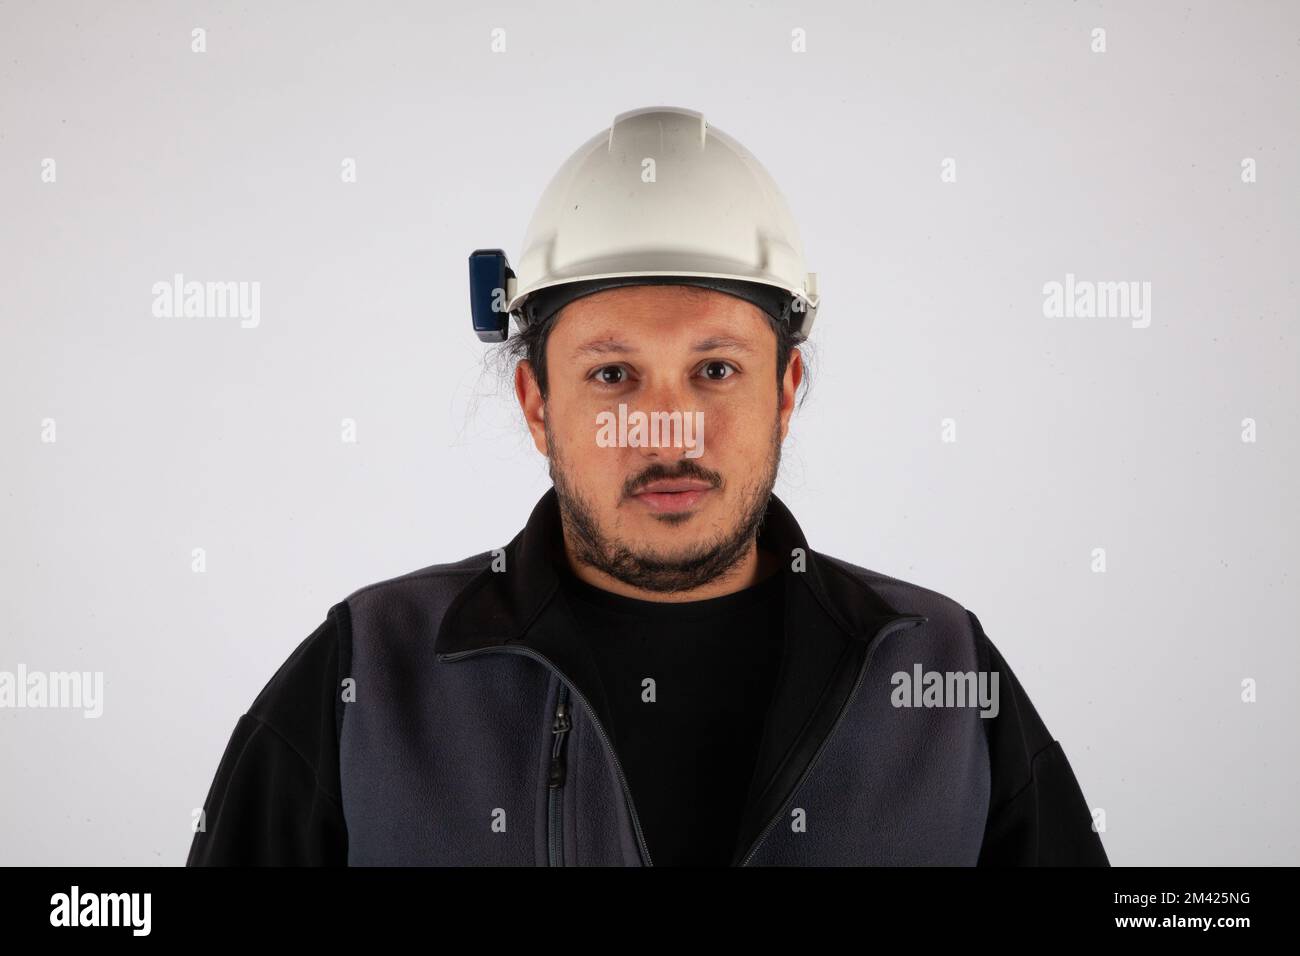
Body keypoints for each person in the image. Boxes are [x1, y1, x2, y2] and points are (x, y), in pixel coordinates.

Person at [188, 106, 1108, 866]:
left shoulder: (941, 670)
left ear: (785, 393)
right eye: (612, 375)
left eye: (715, 370)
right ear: (536, 400)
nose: (669, 432)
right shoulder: (371, 674)